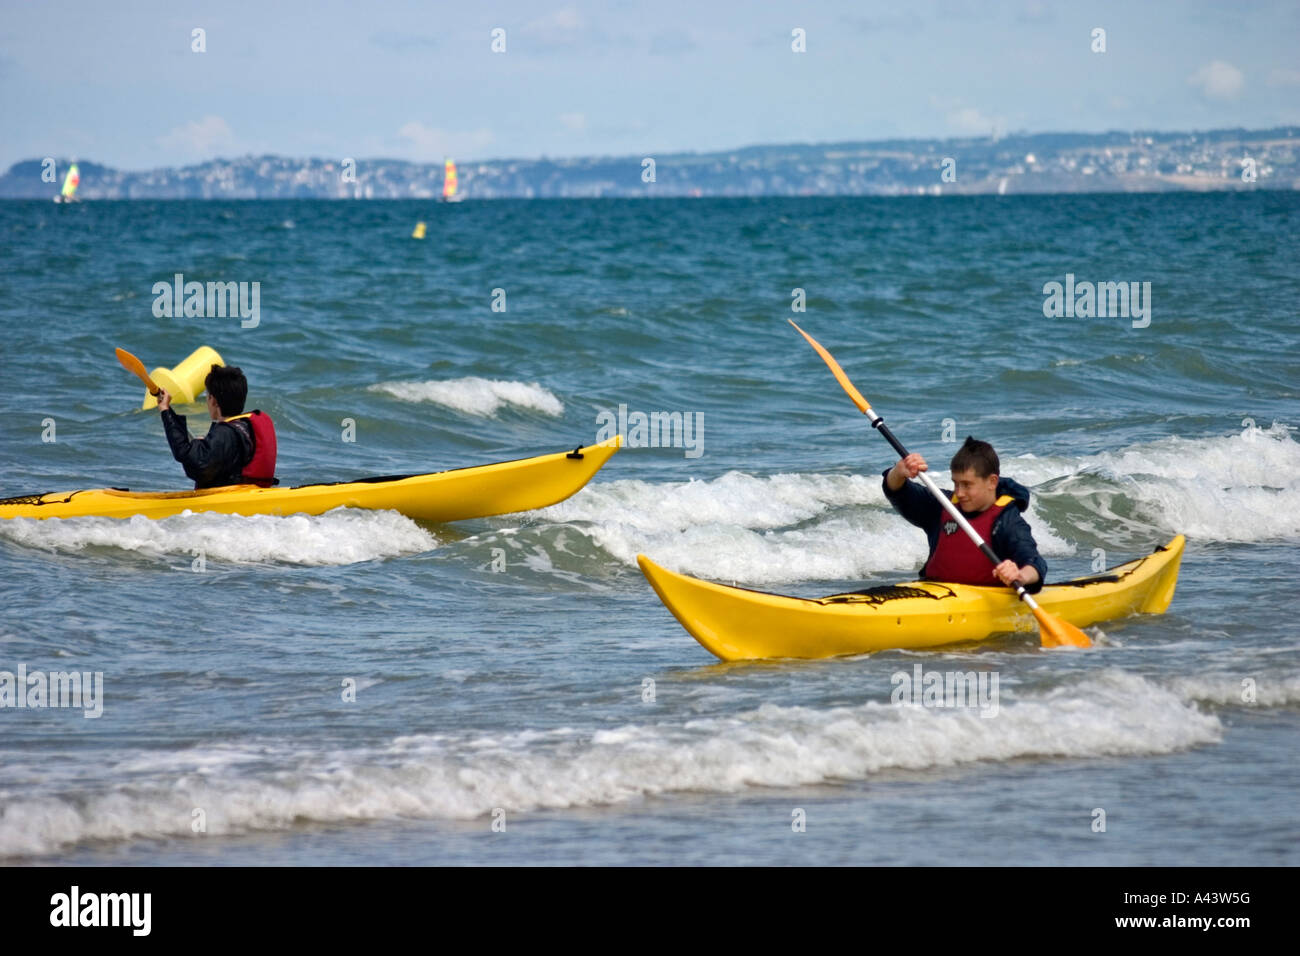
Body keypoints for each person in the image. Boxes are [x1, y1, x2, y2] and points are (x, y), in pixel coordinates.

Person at [883, 436, 1045, 591]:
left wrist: (1020, 575)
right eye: (956, 483)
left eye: (967, 485)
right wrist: (899, 472)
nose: (959, 493)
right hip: (934, 595)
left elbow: (1034, 562)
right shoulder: (943, 506)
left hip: (983, 602)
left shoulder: (1007, 520)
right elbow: (898, 492)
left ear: (992, 482)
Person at [158, 364, 277, 489]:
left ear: (213, 400)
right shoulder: (245, 426)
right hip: (249, 493)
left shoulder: (225, 434)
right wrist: (201, 446)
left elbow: (193, 462)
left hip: (229, 501)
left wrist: (165, 411)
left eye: (207, 396)